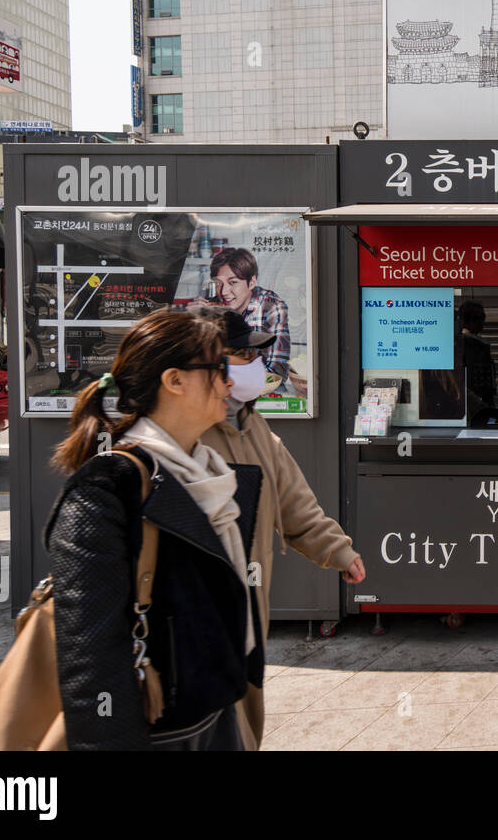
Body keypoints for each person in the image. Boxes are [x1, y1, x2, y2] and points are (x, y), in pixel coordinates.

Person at [44, 308, 262, 749]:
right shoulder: (106, 487)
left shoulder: (208, 472)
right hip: (158, 730)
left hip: (215, 709)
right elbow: (90, 656)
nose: (230, 382)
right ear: (174, 380)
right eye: (218, 368)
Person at [190, 306, 364, 751]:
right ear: (208, 364)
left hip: (248, 605)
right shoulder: (181, 439)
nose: (255, 364)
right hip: (195, 612)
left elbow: (294, 503)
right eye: (243, 353)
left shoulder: (255, 428)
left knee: (244, 711)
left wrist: (339, 551)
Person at [199, 247, 292, 380]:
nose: (224, 292)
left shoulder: (271, 307)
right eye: (218, 283)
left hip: (261, 392)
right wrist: (192, 321)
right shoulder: (212, 307)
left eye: (233, 282)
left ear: (252, 282)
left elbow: (277, 370)